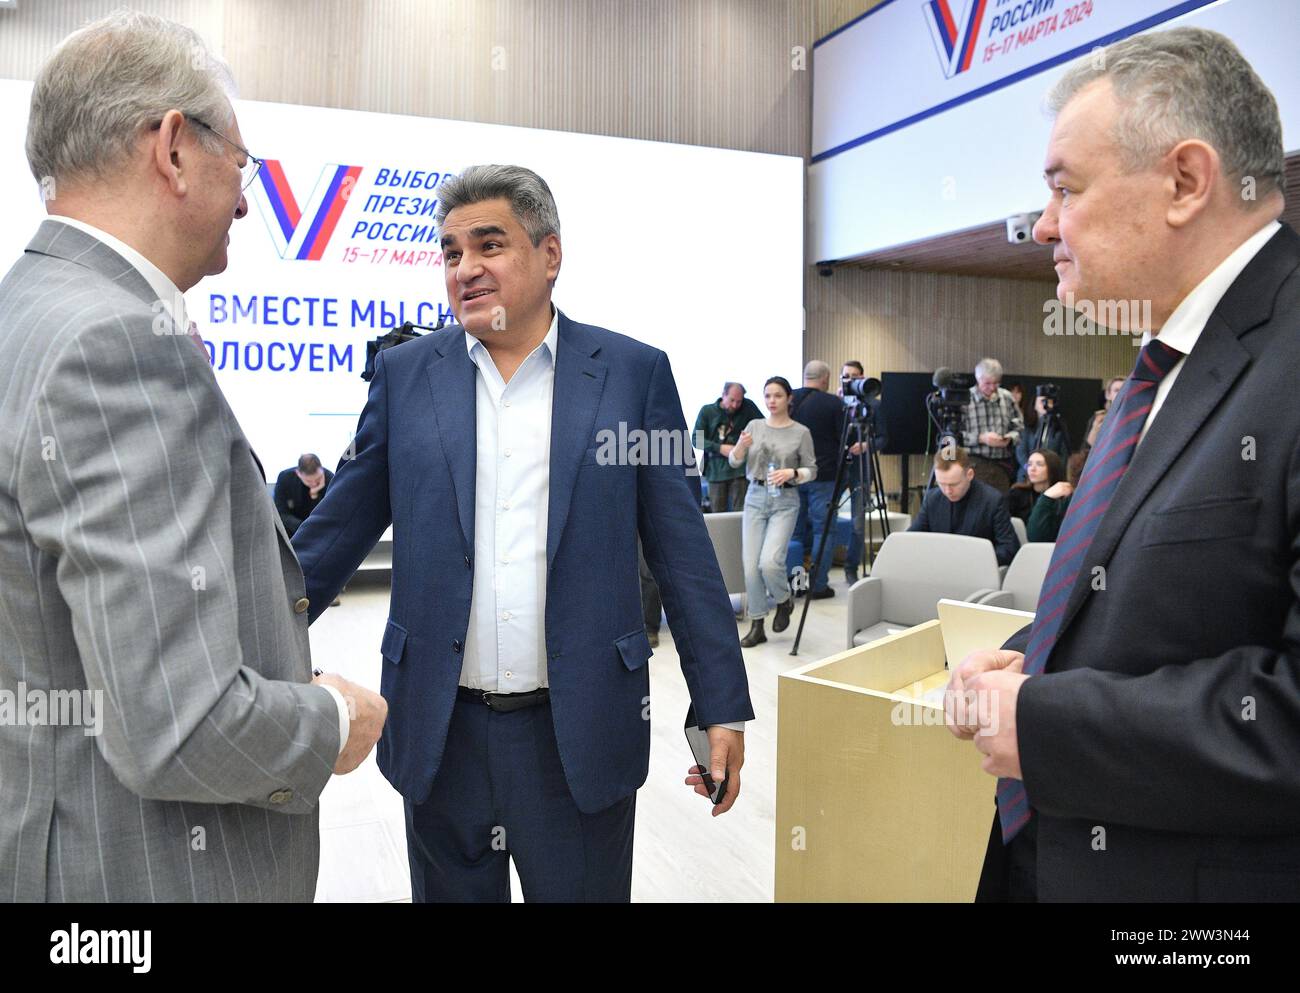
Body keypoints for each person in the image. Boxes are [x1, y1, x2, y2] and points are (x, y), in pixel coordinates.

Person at [0, 11, 385, 902]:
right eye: (240, 165)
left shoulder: (28, 310)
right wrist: (331, 717)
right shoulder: (118, 344)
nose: (247, 200)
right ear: (173, 148)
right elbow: (175, 723)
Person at [292, 164, 753, 902]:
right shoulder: (407, 376)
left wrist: (720, 704)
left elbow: (681, 550)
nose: (465, 268)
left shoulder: (632, 374)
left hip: (579, 735)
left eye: (489, 244)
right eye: (449, 252)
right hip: (440, 735)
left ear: (550, 254)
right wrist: (242, 650)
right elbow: (332, 536)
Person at [946, 26, 1300, 902]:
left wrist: (1045, 721)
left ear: (1185, 181)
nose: (1042, 225)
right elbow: (1143, 602)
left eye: (1065, 188)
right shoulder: (1161, 365)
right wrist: (1026, 659)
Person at [728, 377, 816, 647]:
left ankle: (783, 599)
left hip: (785, 500)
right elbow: (734, 460)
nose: (771, 401)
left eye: (777, 395)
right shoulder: (754, 425)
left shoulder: (801, 432)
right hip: (755, 496)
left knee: (770, 562)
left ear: (789, 398)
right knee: (751, 566)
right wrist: (741, 446)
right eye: (767, 396)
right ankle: (757, 624)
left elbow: (812, 470)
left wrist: (793, 472)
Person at [791, 360, 846, 598]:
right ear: (825, 378)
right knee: (823, 532)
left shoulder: (788, 398)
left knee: (795, 532)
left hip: (793, 477)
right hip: (824, 477)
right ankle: (819, 584)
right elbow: (844, 440)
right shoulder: (834, 403)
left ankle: (798, 584)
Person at [910, 449, 1019, 566]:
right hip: (939, 568)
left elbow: (1009, 548)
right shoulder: (932, 498)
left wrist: (976, 561)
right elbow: (912, 539)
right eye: (941, 484)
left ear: (970, 475)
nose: (947, 491)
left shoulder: (993, 500)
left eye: (954, 484)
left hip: (977, 571)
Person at [838, 360, 888, 583]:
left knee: (859, 523)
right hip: (837, 468)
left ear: (863, 378)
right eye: (846, 376)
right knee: (826, 520)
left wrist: (866, 445)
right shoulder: (835, 403)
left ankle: (851, 568)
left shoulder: (874, 405)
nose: (851, 380)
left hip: (862, 468)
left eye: (855, 376)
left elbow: (884, 438)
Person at [693, 382, 762, 512]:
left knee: (741, 512)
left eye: (739, 401)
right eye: (732, 400)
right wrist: (719, 448)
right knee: (717, 514)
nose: (735, 405)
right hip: (716, 470)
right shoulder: (707, 411)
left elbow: (762, 427)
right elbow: (696, 439)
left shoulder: (748, 408)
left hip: (740, 471)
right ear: (723, 395)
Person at [961, 357, 1025, 492]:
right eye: (987, 383)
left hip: (1002, 466)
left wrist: (1009, 439)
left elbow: (1020, 428)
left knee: (999, 507)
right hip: (974, 464)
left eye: (996, 383)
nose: (992, 387)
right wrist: (981, 438)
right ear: (978, 379)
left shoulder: (1007, 397)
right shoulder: (964, 399)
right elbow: (954, 436)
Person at [1006, 449, 1073, 541]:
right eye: (1029, 464)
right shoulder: (1017, 493)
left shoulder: (1064, 496)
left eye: (1039, 464)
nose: (1032, 469)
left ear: (1052, 468)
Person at [1015, 391, 1071, 482]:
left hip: (1051, 476)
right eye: (1043, 401)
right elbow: (1021, 452)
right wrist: (1030, 468)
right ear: (1034, 404)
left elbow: (1064, 455)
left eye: (1049, 402)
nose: (1046, 405)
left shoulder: (1059, 428)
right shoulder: (1026, 427)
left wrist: (1050, 471)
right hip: (1026, 475)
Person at [274, 453, 335, 537]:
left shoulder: (331, 479)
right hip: (293, 529)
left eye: (318, 479)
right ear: (298, 473)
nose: (314, 484)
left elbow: (330, 513)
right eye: (309, 481)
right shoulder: (285, 478)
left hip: (322, 529)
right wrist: (305, 528)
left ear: (322, 470)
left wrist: (314, 495)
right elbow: (280, 512)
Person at [1082, 376, 1126, 451]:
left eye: (1124, 390)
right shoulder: (1098, 419)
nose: (1121, 394)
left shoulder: (1136, 417)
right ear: (1108, 395)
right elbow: (1086, 447)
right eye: (1117, 390)